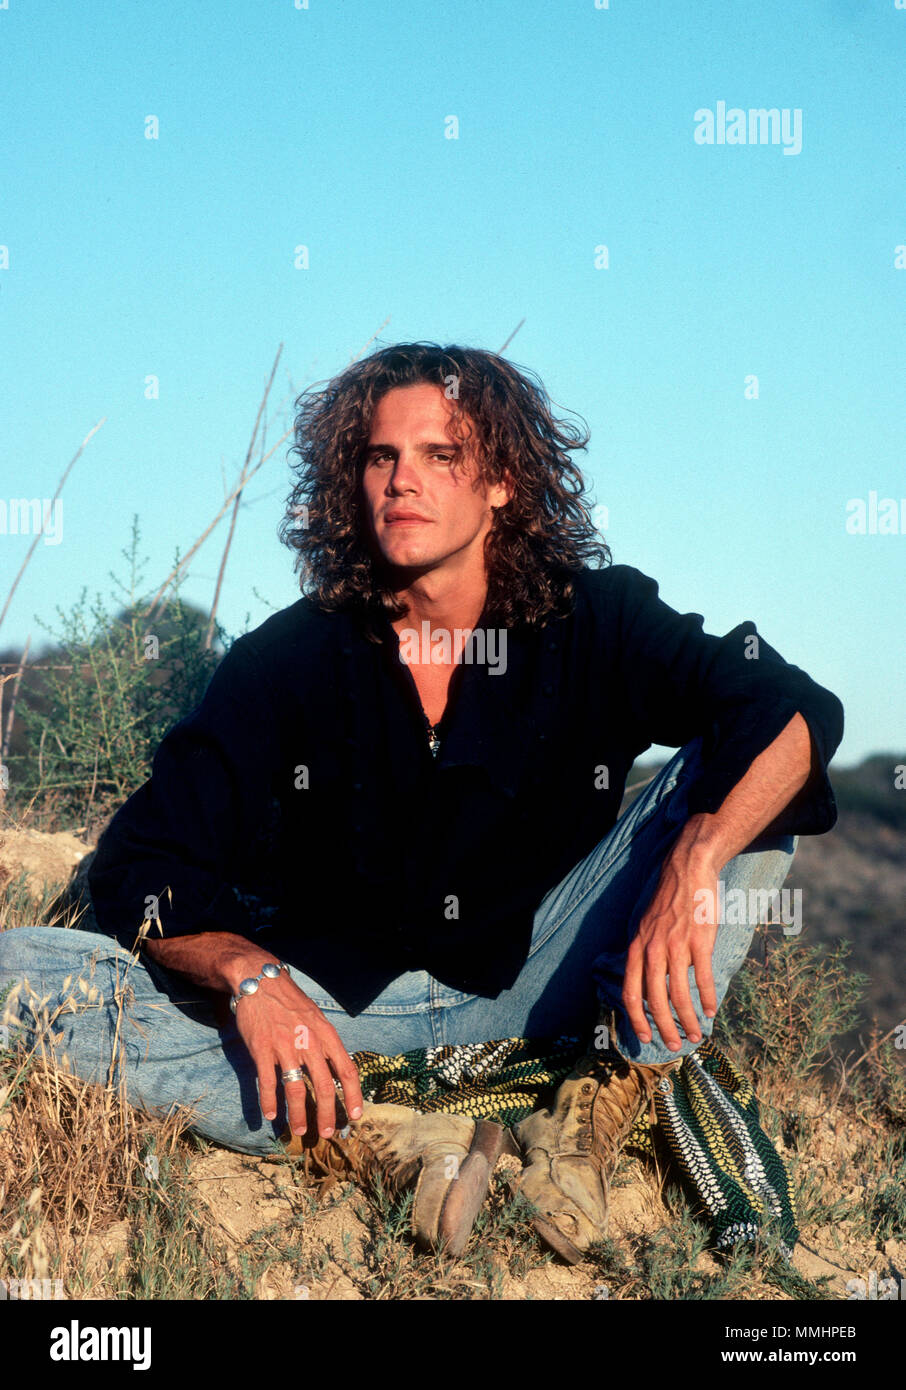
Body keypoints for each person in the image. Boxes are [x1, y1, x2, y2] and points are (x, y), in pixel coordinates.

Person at [0, 342, 844, 1260]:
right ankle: (372, 1128)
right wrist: (248, 975)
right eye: (379, 456)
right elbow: (142, 862)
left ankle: (595, 1096)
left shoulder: (591, 617)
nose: (403, 481)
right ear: (350, 481)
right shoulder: (288, 660)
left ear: (502, 484)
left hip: (542, 979)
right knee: (25, 978)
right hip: (338, 1002)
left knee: (756, 782)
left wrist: (697, 861)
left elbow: (792, 706)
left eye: (442, 455)